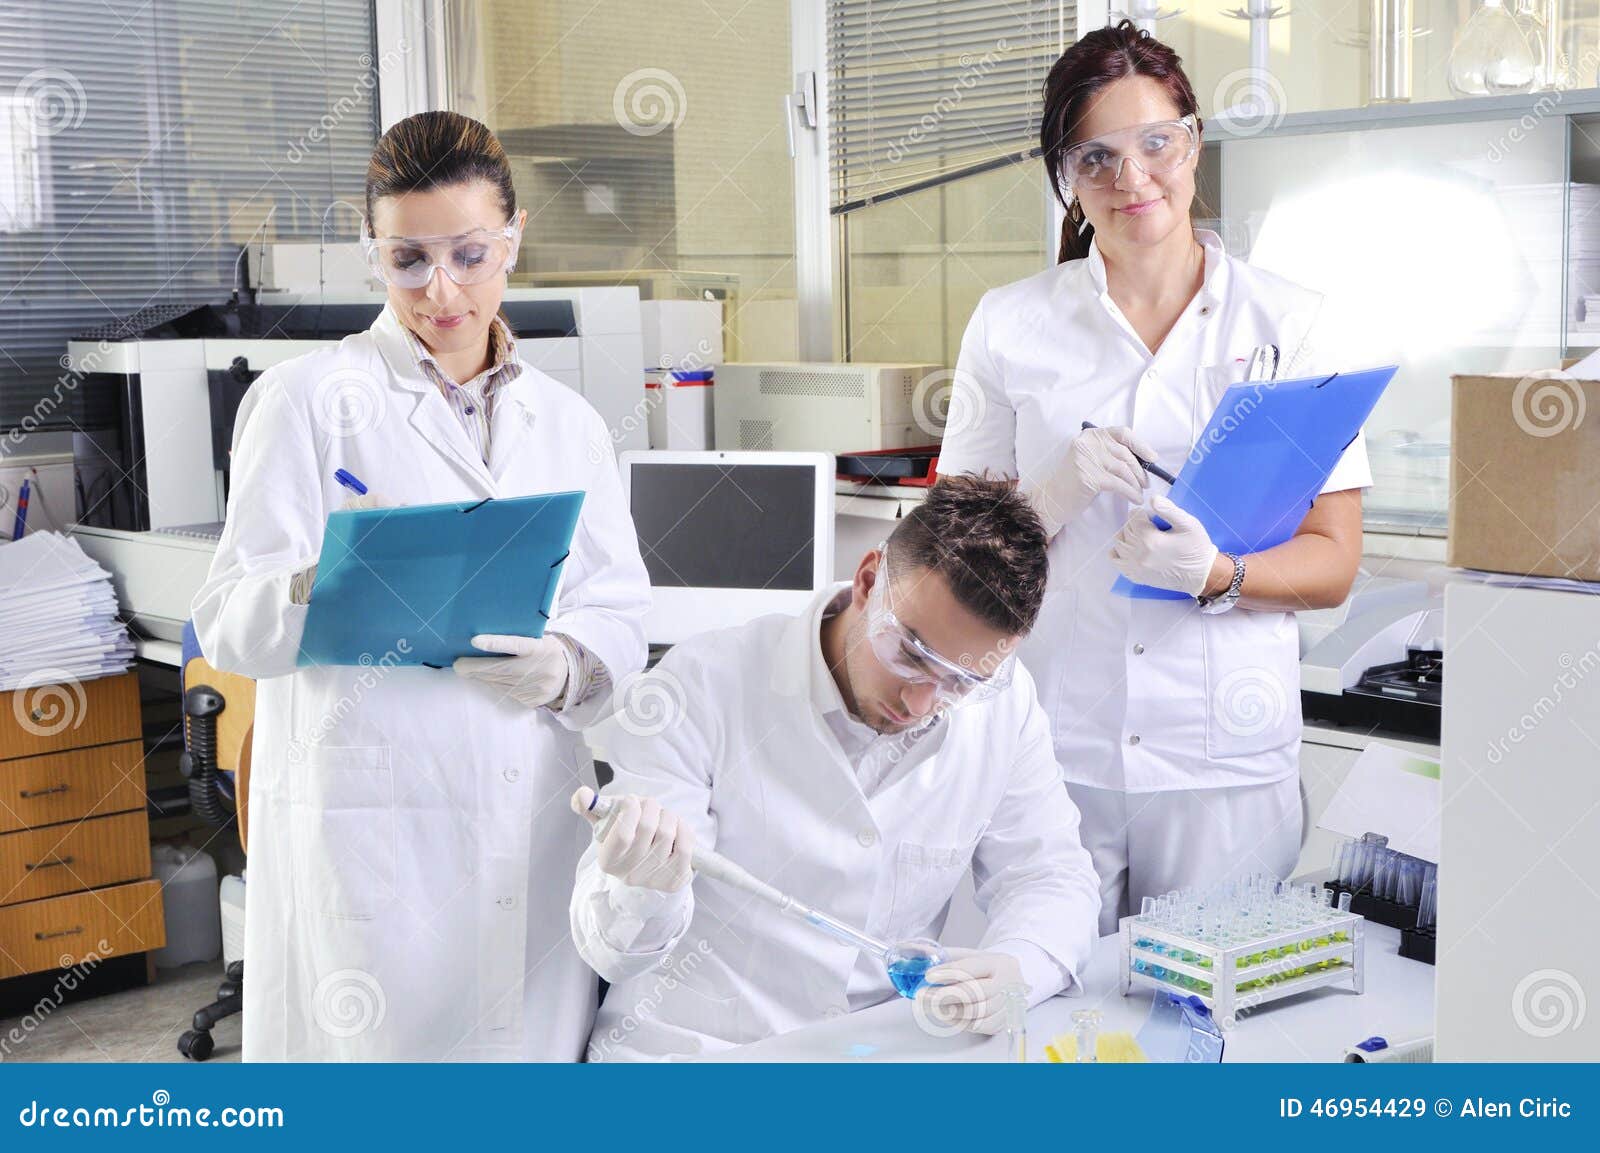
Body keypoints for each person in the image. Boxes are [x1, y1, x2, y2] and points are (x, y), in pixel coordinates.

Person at [193, 111, 650, 1060]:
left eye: (471, 253)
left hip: (524, 811)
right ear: (374, 255)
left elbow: (620, 610)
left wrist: (566, 667)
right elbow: (228, 624)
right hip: (370, 833)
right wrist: (317, 583)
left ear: (514, 239)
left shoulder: (567, 423)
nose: (441, 290)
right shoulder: (307, 401)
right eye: (407, 260)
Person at [938, 23, 1370, 936]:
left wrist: (1220, 576)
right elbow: (948, 560)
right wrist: (1042, 501)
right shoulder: (1010, 323)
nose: (1133, 178)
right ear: (1064, 173)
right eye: (1096, 155)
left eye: (1156, 143)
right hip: (1056, 754)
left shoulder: (1292, 320)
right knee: (1040, 1024)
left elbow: (1333, 563)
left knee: (1206, 1028)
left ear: (1195, 140)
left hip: (1224, 764)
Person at [569, 476, 1101, 1061]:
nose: (919, 705)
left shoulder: (1004, 704)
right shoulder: (699, 686)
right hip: (696, 1055)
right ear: (869, 581)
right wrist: (644, 888)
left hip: (868, 1055)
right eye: (912, 655)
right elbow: (611, 950)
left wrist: (1020, 965)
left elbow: (1050, 873)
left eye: (961, 681)